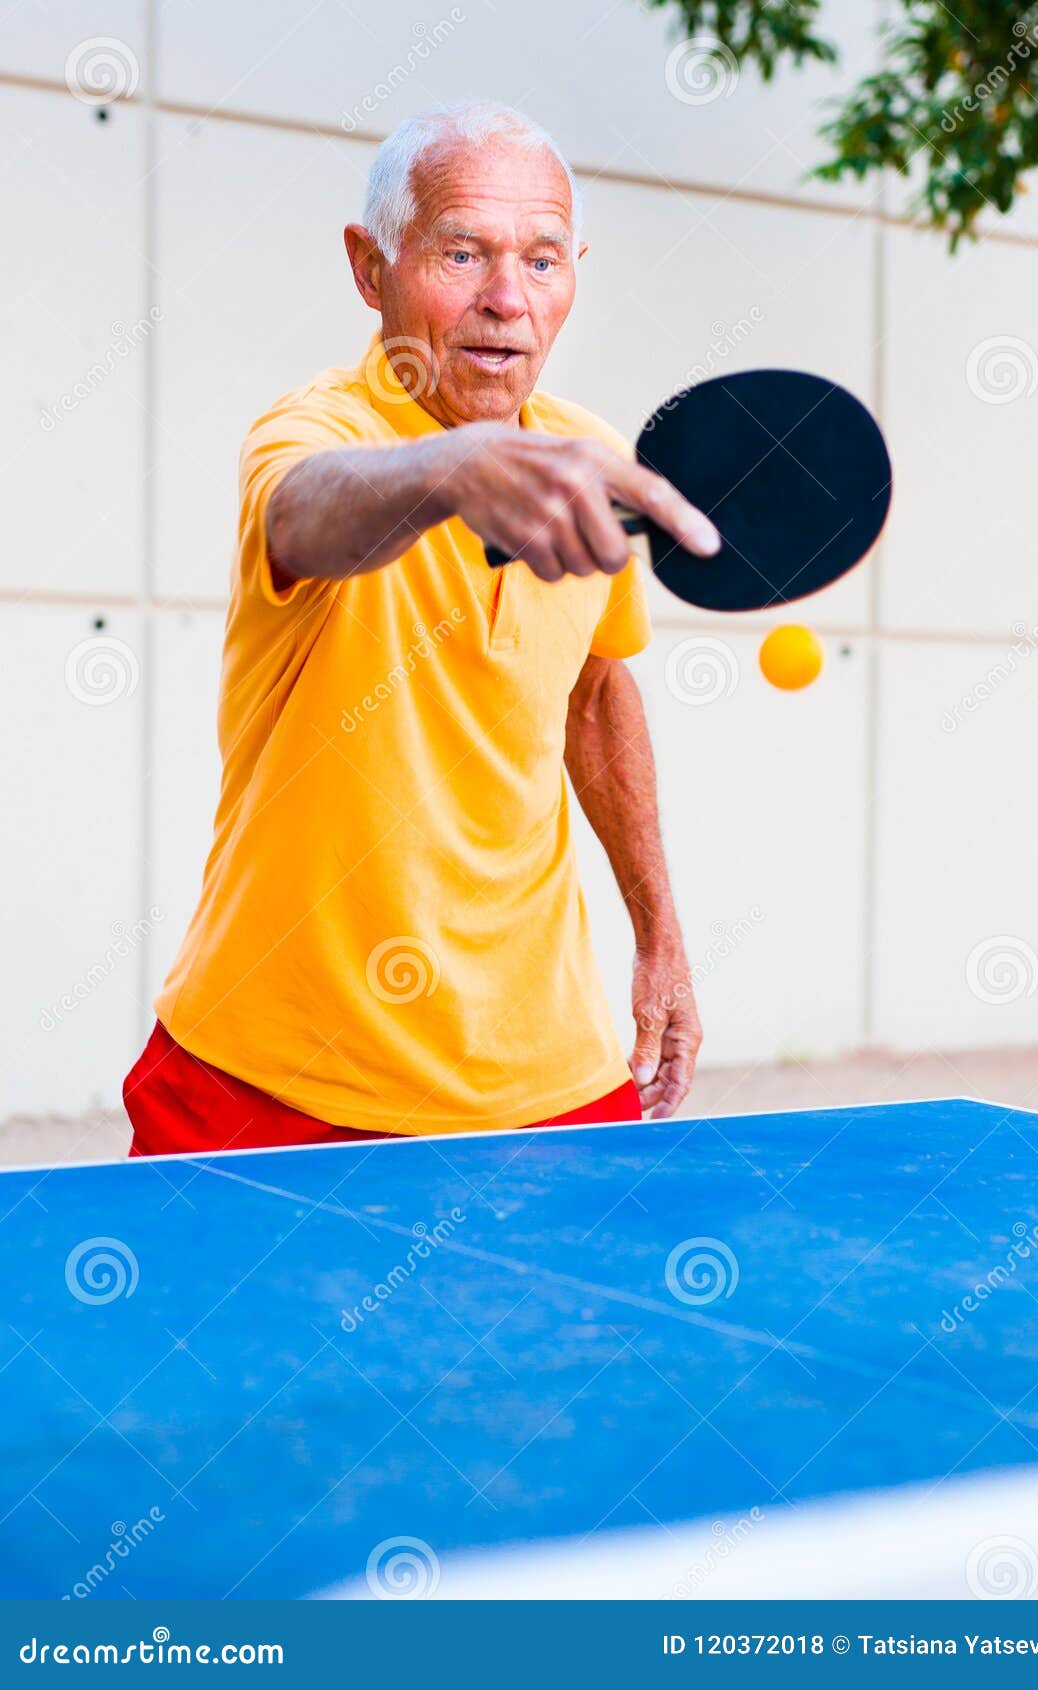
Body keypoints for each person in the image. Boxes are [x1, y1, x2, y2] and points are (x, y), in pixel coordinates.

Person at [123, 101, 719, 1157]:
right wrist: (451, 468)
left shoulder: (588, 455)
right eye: (462, 253)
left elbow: (592, 690)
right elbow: (304, 513)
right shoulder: (316, 431)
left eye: (543, 261)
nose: (507, 300)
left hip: (547, 1073)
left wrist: (660, 933)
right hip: (273, 1072)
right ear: (370, 267)